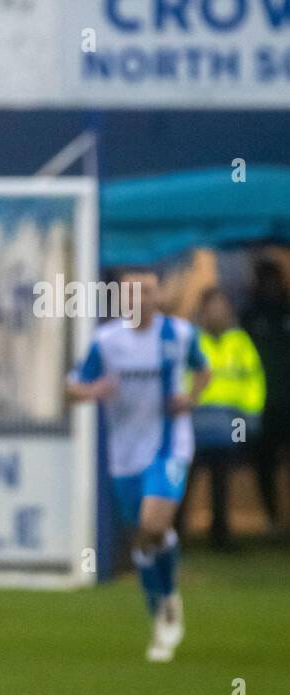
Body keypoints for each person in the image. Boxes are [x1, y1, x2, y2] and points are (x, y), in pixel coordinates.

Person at [67, 268, 210, 662]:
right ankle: (163, 609)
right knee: (144, 541)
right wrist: (91, 390)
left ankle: (168, 604)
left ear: (159, 295)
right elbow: (72, 384)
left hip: (169, 446)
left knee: (153, 524)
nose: (141, 298)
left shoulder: (179, 335)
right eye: (132, 292)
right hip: (124, 453)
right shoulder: (108, 341)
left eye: (147, 290)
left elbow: (204, 368)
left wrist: (191, 398)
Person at [190, 288, 265, 549]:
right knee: (185, 479)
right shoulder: (194, 341)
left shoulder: (240, 342)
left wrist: (247, 422)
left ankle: (220, 535)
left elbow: (253, 382)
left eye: (222, 306)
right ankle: (175, 533)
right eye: (212, 306)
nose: (217, 312)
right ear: (203, 310)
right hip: (194, 422)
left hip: (229, 423)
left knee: (222, 479)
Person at [242, 259, 290, 532]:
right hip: (260, 407)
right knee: (265, 462)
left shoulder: (286, 312)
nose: (271, 286)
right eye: (265, 280)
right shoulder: (250, 317)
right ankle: (272, 518)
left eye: (275, 279)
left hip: (287, 403)